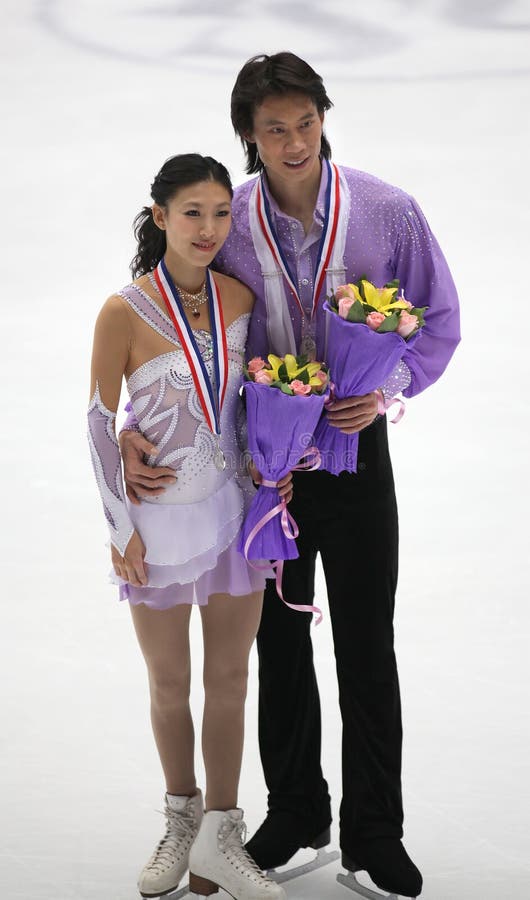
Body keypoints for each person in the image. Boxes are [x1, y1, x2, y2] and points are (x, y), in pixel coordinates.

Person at [120, 54, 461, 899]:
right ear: (249, 134)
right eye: (275, 128)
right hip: (264, 468)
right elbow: (173, 323)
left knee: (366, 642)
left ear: (323, 119)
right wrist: (131, 426)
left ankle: (376, 831)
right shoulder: (226, 220)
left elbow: (439, 320)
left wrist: (386, 386)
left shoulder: (385, 211)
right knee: (276, 642)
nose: (295, 141)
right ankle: (297, 809)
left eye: (306, 122)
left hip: (355, 455)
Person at [87, 152, 289, 900]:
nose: (209, 229)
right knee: (170, 680)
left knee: (230, 679)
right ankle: (181, 819)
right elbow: (98, 420)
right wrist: (121, 528)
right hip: (159, 524)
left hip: (235, 515)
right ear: (161, 216)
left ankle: (221, 839)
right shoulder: (123, 311)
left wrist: (280, 459)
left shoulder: (242, 298)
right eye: (193, 213)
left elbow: (261, 396)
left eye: (221, 213)